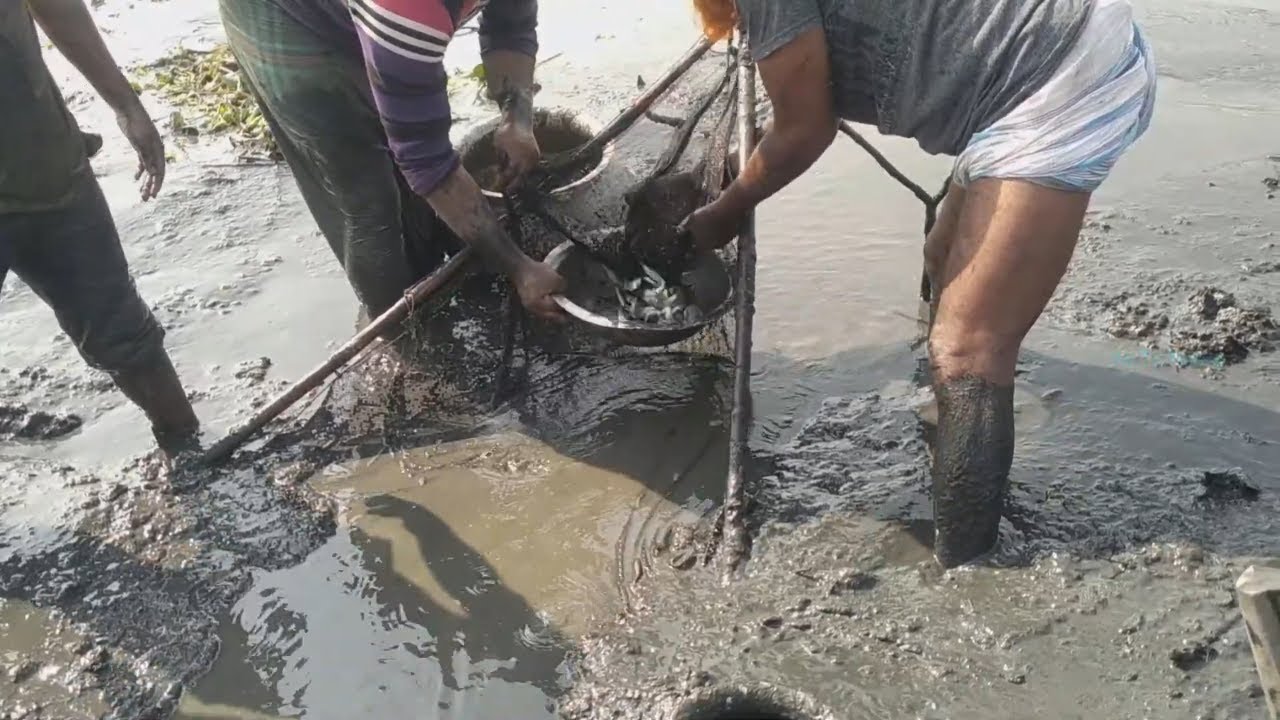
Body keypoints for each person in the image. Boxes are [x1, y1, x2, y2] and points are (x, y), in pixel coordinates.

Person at [683, 0, 1156, 567]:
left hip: (1060, 77)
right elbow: (809, 100)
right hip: (1044, 62)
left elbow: (805, 129)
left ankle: (969, 568)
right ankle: (948, 429)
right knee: (942, 253)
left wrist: (724, 211)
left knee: (968, 350)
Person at [216, 0, 565, 331]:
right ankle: (400, 332)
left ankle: (448, 262)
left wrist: (517, 117)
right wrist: (521, 270)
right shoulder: (407, 10)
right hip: (279, 16)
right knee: (368, 195)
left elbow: (512, 25)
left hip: (381, 22)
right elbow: (426, 159)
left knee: (407, 144)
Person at [1, 0, 199, 456]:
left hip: (43, 164)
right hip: (41, 164)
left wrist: (126, 103)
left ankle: (191, 450)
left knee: (125, 333)